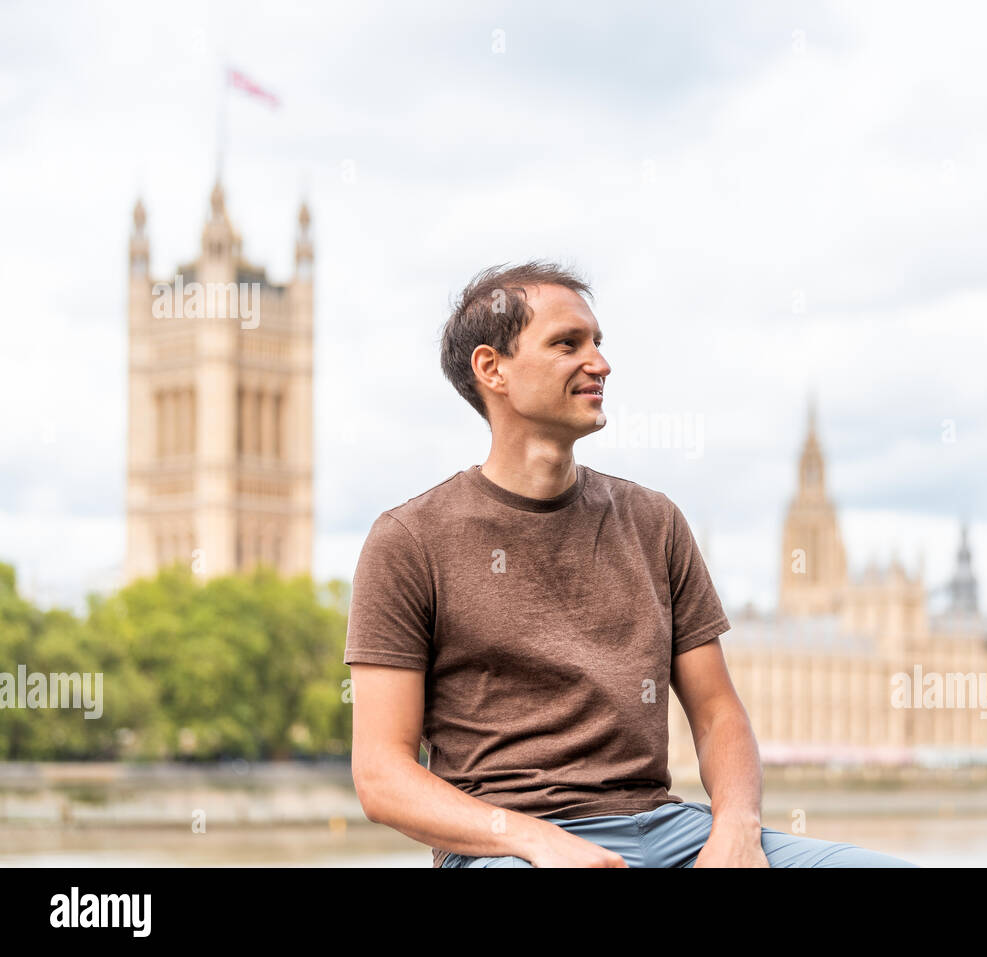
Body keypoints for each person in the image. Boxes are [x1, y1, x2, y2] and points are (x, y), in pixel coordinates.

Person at [343, 261, 915, 868]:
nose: (600, 363)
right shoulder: (408, 540)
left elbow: (719, 711)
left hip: (668, 828)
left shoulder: (655, 521)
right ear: (493, 369)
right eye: (568, 344)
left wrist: (737, 828)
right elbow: (381, 776)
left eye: (598, 343)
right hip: (510, 847)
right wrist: (539, 842)